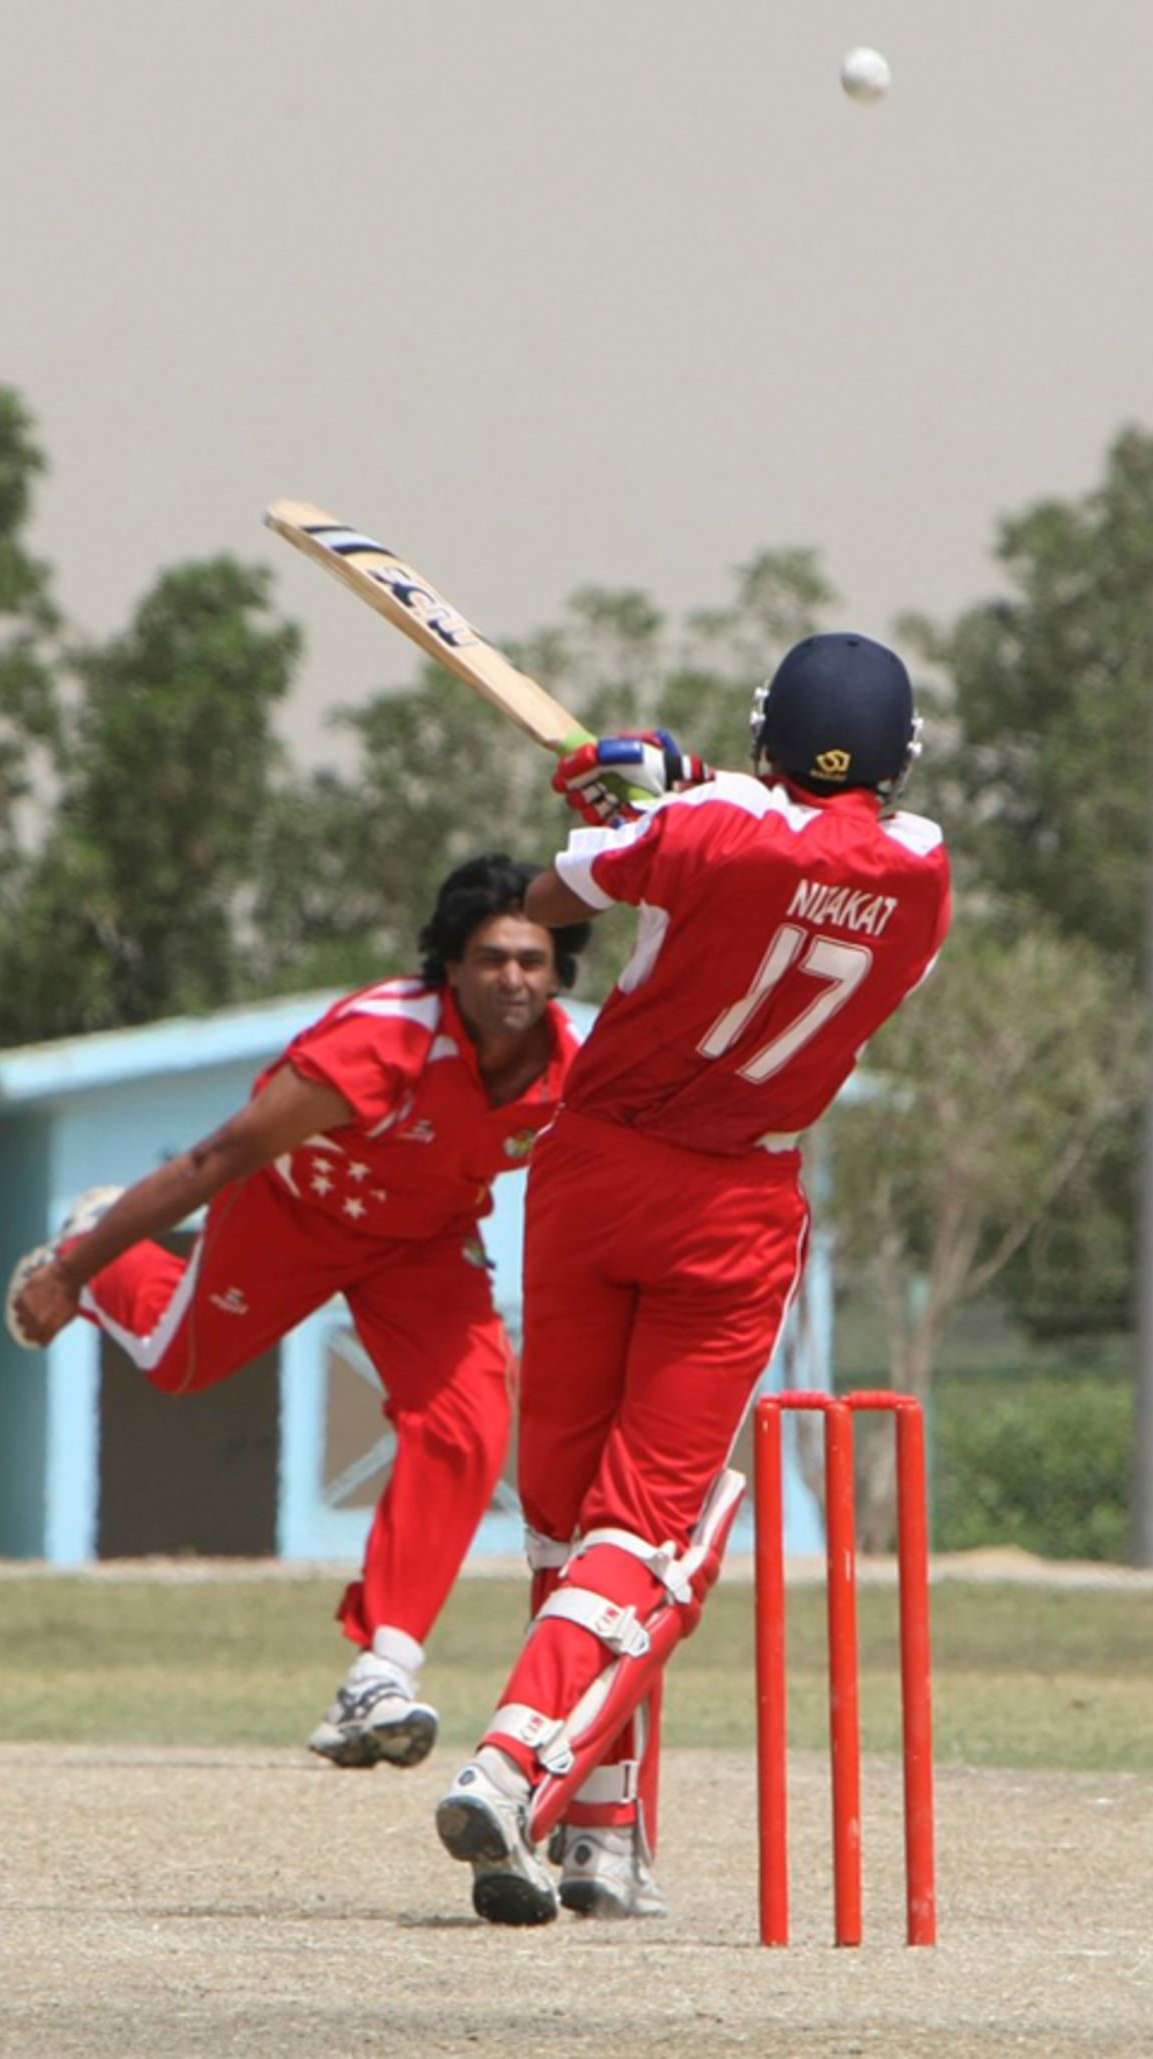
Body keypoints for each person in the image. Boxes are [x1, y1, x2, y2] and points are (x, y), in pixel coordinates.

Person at [435, 633, 953, 1924]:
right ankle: (525, 1763)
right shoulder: (925, 873)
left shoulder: (705, 825)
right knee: (651, 1524)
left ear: (766, 734)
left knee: (567, 1510)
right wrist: (675, 789)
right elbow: (806, 848)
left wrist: (647, 798)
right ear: (897, 759)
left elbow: (556, 899)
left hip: (596, 1172)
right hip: (737, 1197)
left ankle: (597, 1830)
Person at [5, 853, 589, 1771]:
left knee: (472, 1419)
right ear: (450, 964)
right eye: (489, 958)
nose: (511, 977)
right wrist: (76, 1269)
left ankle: (382, 1669)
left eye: (531, 959)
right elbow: (213, 1160)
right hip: (290, 1215)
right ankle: (102, 1246)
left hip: (423, 1243)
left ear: (560, 972)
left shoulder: (571, 1072)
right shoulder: (379, 1046)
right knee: (179, 1363)